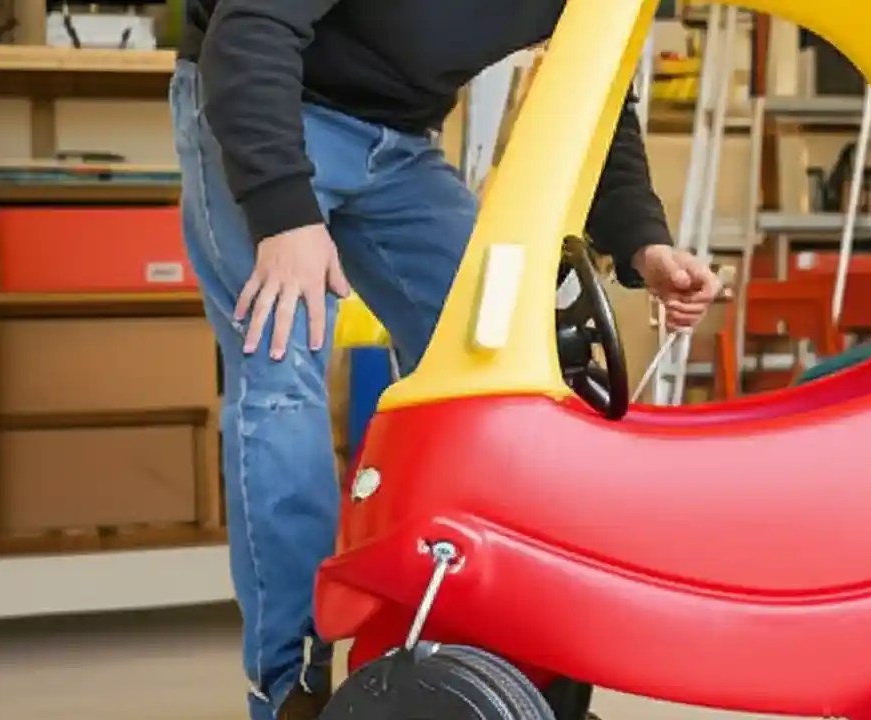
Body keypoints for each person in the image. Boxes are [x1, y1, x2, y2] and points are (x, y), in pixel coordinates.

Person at [172, 2, 722, 719]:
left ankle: (482, 647)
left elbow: (599, 97)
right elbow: (250, 32)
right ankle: (291, 685)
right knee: (281, 380)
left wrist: (644, 243)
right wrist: (284, 218)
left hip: (399, 144)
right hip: (264, 102)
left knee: (499, 362)